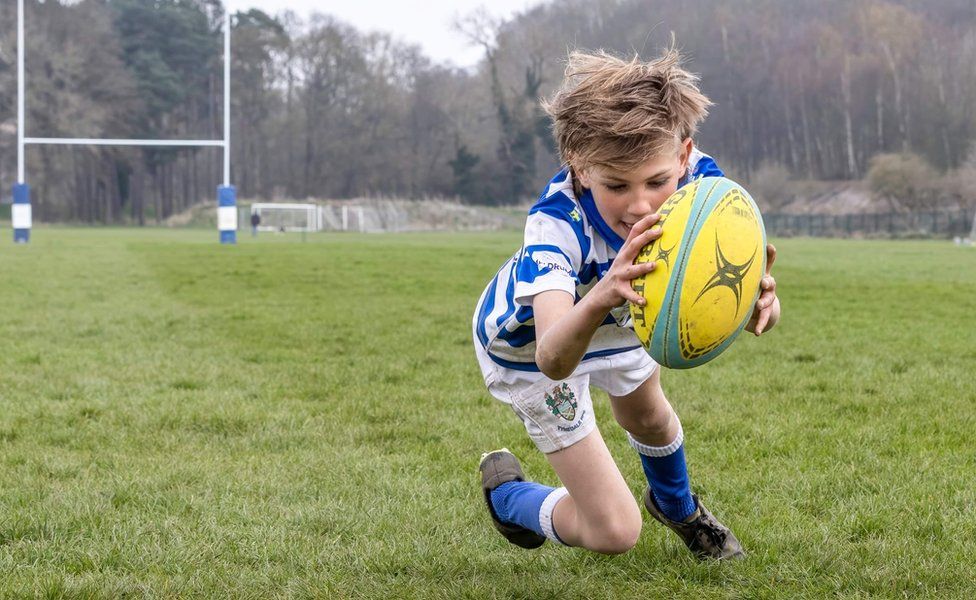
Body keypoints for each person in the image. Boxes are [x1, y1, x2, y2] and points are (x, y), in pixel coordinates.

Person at [473, 48, 780, 559]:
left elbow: (757, 313)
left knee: (651, 417)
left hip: (621, 319)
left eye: (657, 182)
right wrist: (601, 294)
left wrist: (755, 303)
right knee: (615, 532)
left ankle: (679, 508)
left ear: (683, 156)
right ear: (580, 167)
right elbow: (553, 356)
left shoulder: (703, 189)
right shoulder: (556, 224)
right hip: (532, 345)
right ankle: (508, 499)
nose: (640, 205)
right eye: (616, 185)